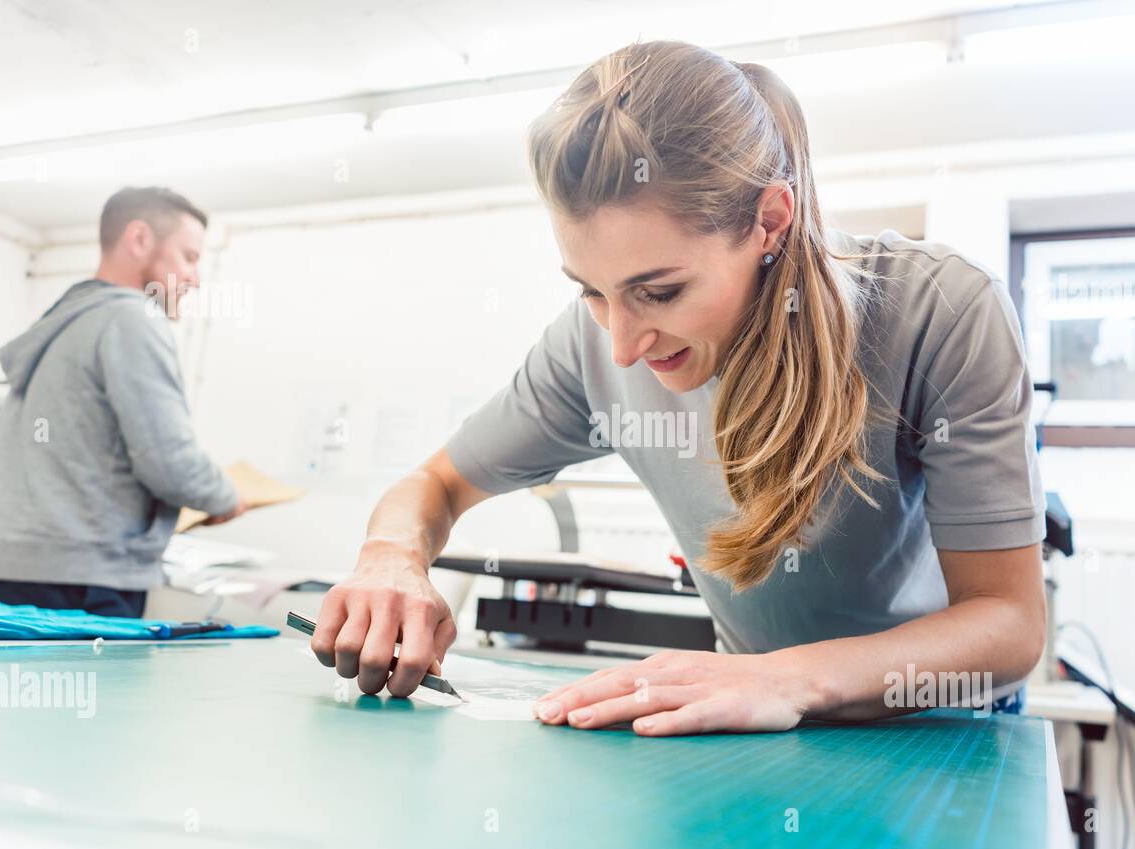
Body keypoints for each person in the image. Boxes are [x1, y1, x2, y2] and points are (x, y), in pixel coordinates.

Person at [309, 40, 1047, 734]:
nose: (622, 346)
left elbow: (1009, 622)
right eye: (591, 292)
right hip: (754, 717)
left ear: (770, 222)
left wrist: (787, 679)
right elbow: (433, 483)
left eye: (658, 292)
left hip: (937, 725)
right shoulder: (591, 344)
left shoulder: (944, 311)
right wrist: (390, 556)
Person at [0, 186, 244, 618]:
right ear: (140, 239)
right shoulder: (133, 318)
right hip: (84, 580)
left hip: (15, 568)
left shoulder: (63, 324)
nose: (195, 278)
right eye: (188, 257)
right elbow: (170, 461)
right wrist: (227, 496)